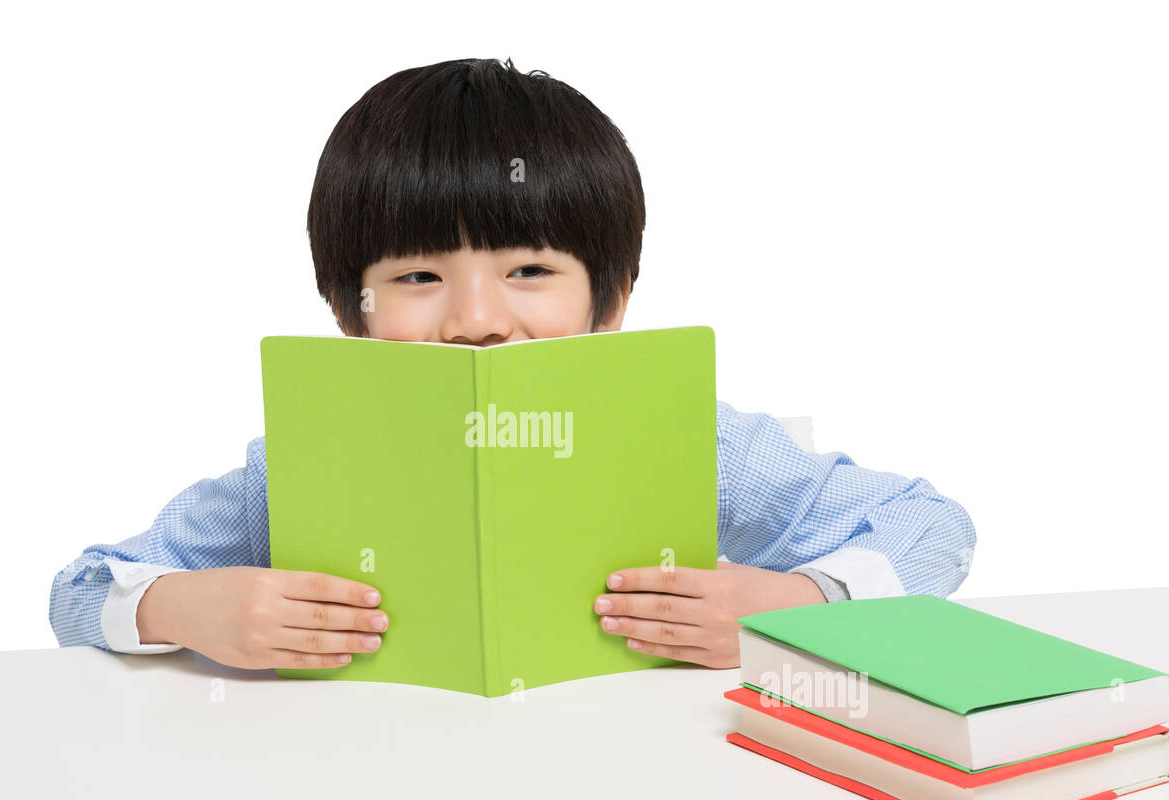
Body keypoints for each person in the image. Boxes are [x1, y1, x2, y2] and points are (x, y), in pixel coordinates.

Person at [49, 58, 976, 671]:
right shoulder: (296, 471)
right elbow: (82, 588)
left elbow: (933, 529)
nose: (478, 320)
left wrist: (798, 602)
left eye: (529, 270)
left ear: (609, 303)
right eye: (417, 275)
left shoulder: (693, 443)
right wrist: (178, 609)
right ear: (349, 310)